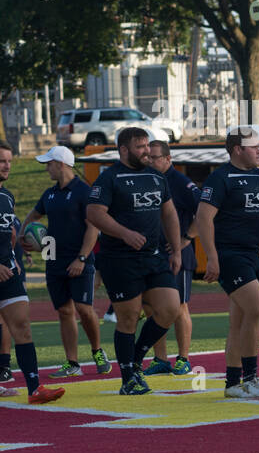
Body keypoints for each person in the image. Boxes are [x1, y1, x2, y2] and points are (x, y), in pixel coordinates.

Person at [85, 126, 183, 395]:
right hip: (119, 259)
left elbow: (170, 214)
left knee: (170, 309)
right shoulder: (109, 178)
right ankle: (128, 378)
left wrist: (176, 250)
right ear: (124, 149)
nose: (147, 151)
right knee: (127, 318)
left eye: (147, 145)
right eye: (140, 147)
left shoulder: (155, 176)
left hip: (154, 257)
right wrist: (125, 233)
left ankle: (136, 358)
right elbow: (94, 213)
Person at [194, 126, 259, 399]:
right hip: (229, 254)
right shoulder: (220, 178)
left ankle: (233, 384)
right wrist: (212, 257)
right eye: (254, 146)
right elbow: (203, 218)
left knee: (239, 319)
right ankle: (251, 378)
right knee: (255, 308)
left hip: (253, 254)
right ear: (237, 150)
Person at [17, 145, 110, 377]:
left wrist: (81, 258)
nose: (46, 168)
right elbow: (34, 215)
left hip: (79, 259)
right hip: (52, 258)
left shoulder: (83, 191)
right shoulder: (49, 193)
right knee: (64, 311)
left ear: (61, 164)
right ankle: (73, 363)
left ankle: (98, 351)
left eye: (49, 164)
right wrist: (22, 235)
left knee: (84, 309)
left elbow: (93, 227)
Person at [0, 143, 65, 403]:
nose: (6, 166)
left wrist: (21, 244)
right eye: (1, 161)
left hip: (9, 272)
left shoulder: (7, 197)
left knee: (23, 328)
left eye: (9, 161)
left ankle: (34, 389)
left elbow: (9, 230)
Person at [141, 136, 201, 376]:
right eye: (147, 157)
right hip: (152, 255)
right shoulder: (148, 181)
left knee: (179, 307)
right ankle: (160, 358)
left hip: (177, 255)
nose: (150, 161)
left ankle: (183, 358)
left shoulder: (181, 183)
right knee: (153, 308)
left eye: (154, 157)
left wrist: (186, 239)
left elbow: (205, 211)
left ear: (168, 158)